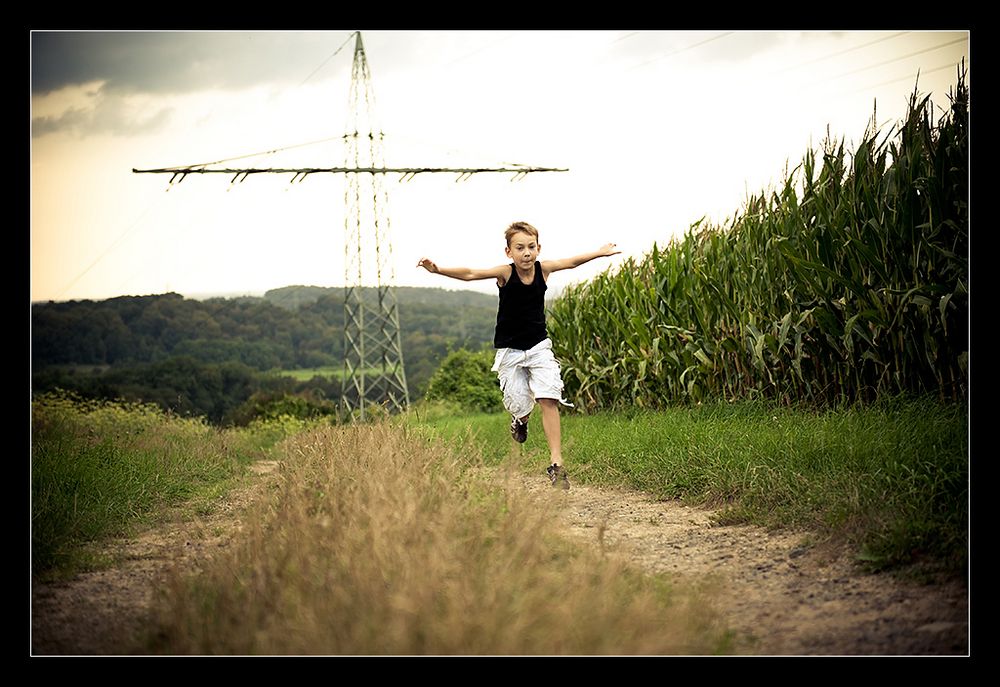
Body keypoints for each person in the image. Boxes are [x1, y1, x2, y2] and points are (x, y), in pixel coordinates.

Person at [417, 221, 620, 489]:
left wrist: (600, 252)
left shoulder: (543, 270)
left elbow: (571, 262)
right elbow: (471, 273)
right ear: (509, 252)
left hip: (538, 347)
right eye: (520, 248)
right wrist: (438, 269)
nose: (526, 253)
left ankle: (556, 464)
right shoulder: (506, 273)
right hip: (510, 352)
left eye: (531, 247)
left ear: (538, 248)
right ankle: (520, 420)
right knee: (521, 405)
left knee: (548, 397)